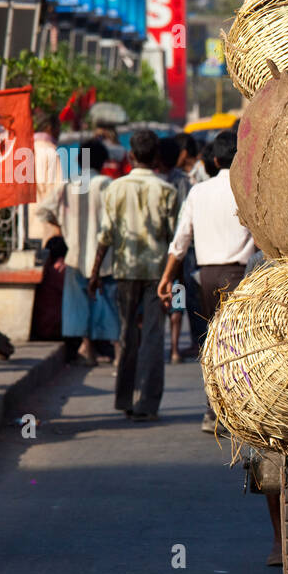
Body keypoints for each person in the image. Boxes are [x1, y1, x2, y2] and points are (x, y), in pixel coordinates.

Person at [157, 132, 255, 431]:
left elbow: (180, 241)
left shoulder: (198, 192)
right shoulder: (248, 189)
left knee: (211, 344)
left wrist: (166, 278)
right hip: (241, 274)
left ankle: (213, 410)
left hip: (205, 277)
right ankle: (242, 410)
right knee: (242, 344)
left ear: (214, 160)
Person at [88, 129, 180, 421]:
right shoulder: (168, 191)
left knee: (127, 334)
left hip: (125, 270)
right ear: (155, 157)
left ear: (130, 156)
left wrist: (95, 272)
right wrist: (172, 279)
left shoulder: (115, 188)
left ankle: (124, 399)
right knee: (153, 337)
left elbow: (106, 235)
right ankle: (148, 403)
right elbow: (174, 240)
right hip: (158, 273)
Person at [60, 138, 120, 365]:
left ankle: (86, 346)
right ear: (103, 161)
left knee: (79, 302)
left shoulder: (69, 185)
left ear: (78, 159)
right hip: (103, 256)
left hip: (75, 254)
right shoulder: (107, 184)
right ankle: (116, 347)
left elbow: (47, 211)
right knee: (108, 303)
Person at [156, 136, 196, 364]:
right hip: (180, 248)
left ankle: (157, 346)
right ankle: (174, 349)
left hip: (159, 248)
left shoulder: (157, 180)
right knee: (178, 293)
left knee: (159, 292)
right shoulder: (184, 182)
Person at [27, 111, 65, 245]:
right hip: (45, 228)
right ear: (50, 128)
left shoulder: (26, 150)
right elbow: (58, 191)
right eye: (58, 127)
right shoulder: (51, 152)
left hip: (26, 227)